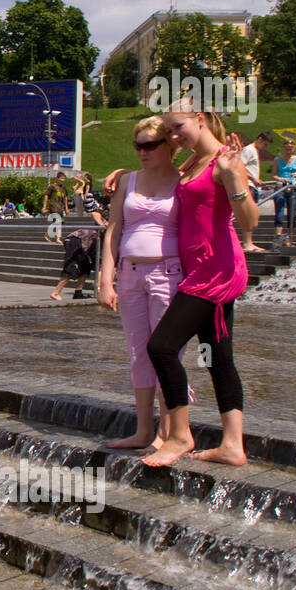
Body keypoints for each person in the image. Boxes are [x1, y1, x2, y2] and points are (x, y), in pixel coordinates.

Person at [141, 100, 257, 468]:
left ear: (201, 119)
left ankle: (179, 435)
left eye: (179, 127)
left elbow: (250, 221)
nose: (174, 136)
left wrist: (234, 177)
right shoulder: (192, 162)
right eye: (169, 131)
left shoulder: (226, 160)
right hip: (199, 269)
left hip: (216, 270)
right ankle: (232, 445)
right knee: (218, 357)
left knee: (160, 346)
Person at [97, 118, 194, 451]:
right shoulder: (128, 181)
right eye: (138, 145)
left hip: (169, 274)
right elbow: (114, 229)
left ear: (171, 146)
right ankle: (142, 430)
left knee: (167, 353)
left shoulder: (185, 181)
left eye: (150, 145)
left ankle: (168, 433)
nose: (142, 152)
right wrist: (104, 279)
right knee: (139, 353)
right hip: (129, 274)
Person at [238, 131, 271, 252]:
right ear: (260, 139)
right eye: (265, 144)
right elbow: (239, 166)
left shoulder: (253, 151)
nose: (265, 148)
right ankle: (247, 243)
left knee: (251, 215)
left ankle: (249, 241)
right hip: (249, 186)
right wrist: (253, 178)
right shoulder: (249, 150)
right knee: (248, 214)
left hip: (253, 185)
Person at [271, 140, 296, 248]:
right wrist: (281, 178)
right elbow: (274, 175)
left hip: (292, 186)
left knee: (292, 214)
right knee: (279, 213)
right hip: (281, 186)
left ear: (294, 149)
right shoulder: (278, 159)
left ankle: (290, 239)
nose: (288, 151)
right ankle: (278, 238)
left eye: (290, 149)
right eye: (286, 149)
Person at [48, 228, 98, 301]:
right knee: (72, 266)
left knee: (85, 266)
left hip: (81, 243)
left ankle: (78, 292)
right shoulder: (104, 238)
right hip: (75, 240)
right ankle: (55, 293)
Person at [42, 172, 68, 242]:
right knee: (57, 222)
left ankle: (48, 234)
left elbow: (65, 198)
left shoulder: (64, 188)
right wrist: (44, 207)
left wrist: (66, 208)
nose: (63, 180)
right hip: (53, 207)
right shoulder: (52, 187)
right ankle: (58, 238)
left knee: (59, 222)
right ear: (57, 178)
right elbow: (46, 196)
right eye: (61, 178)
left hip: (60, 208)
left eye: (64, 178)